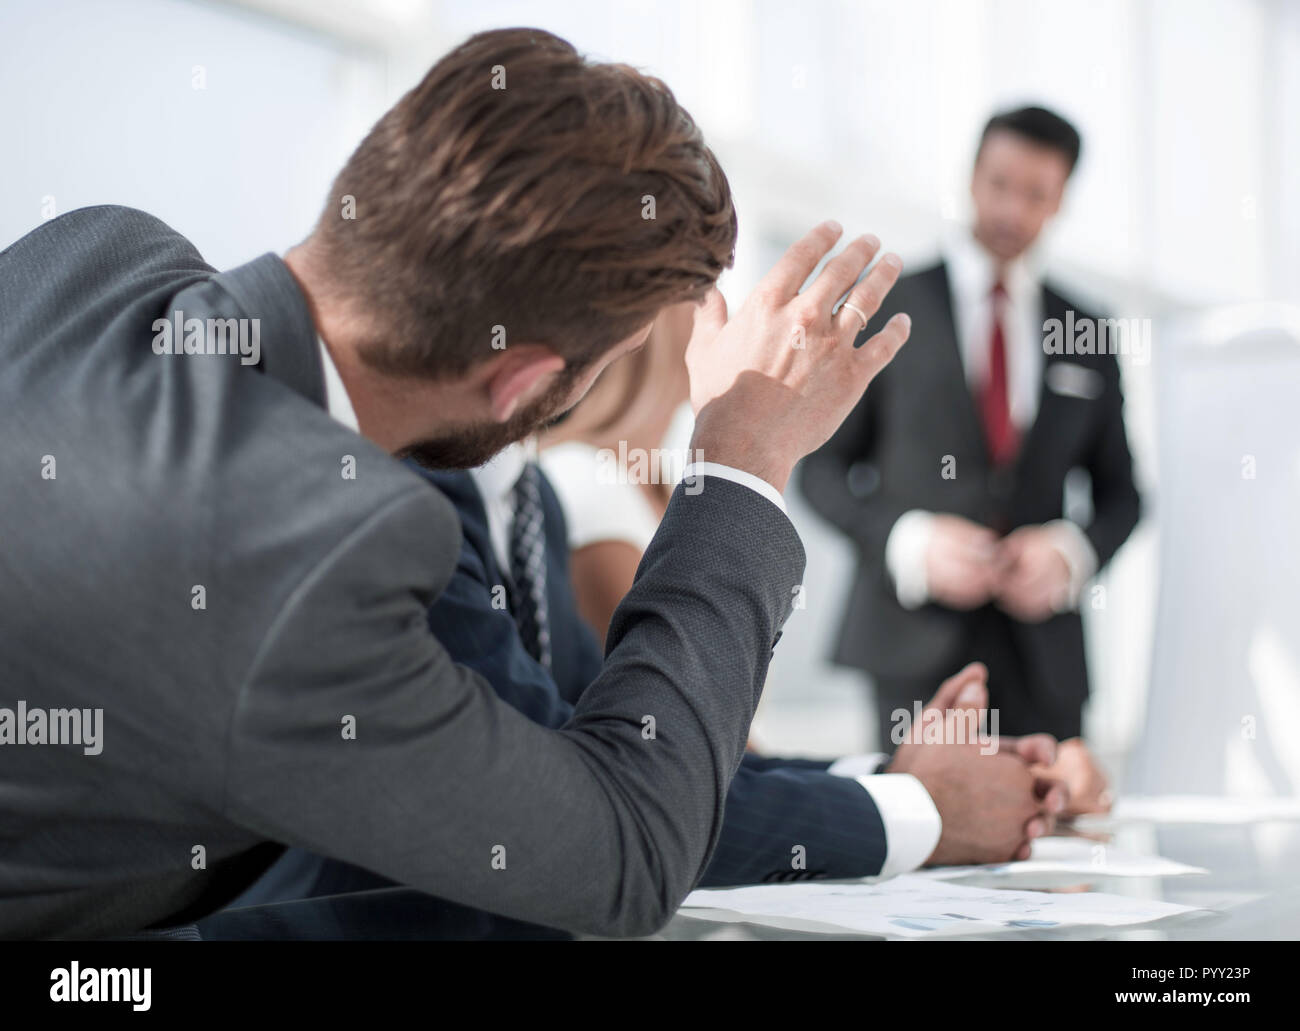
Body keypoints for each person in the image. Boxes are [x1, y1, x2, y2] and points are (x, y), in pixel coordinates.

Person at [0, 28, 917, 940]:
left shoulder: (95, 254)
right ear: (521, 381)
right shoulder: (326, 556)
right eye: (620, 356)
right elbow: (625, 849)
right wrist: (740, 463)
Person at [801, 105, 1140, 761]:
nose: (1013, 208)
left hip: (1045, 658)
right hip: (911, 645)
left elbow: (1124, 495)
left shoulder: (1089, 331)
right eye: (1000, 183)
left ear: (1062, 197)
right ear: (973, 175)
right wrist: (909, 540)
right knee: (913, 842)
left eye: (1036, 193)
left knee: (1054, 840)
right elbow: (820, 468)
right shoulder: (889, 307)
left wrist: (1071, 554)